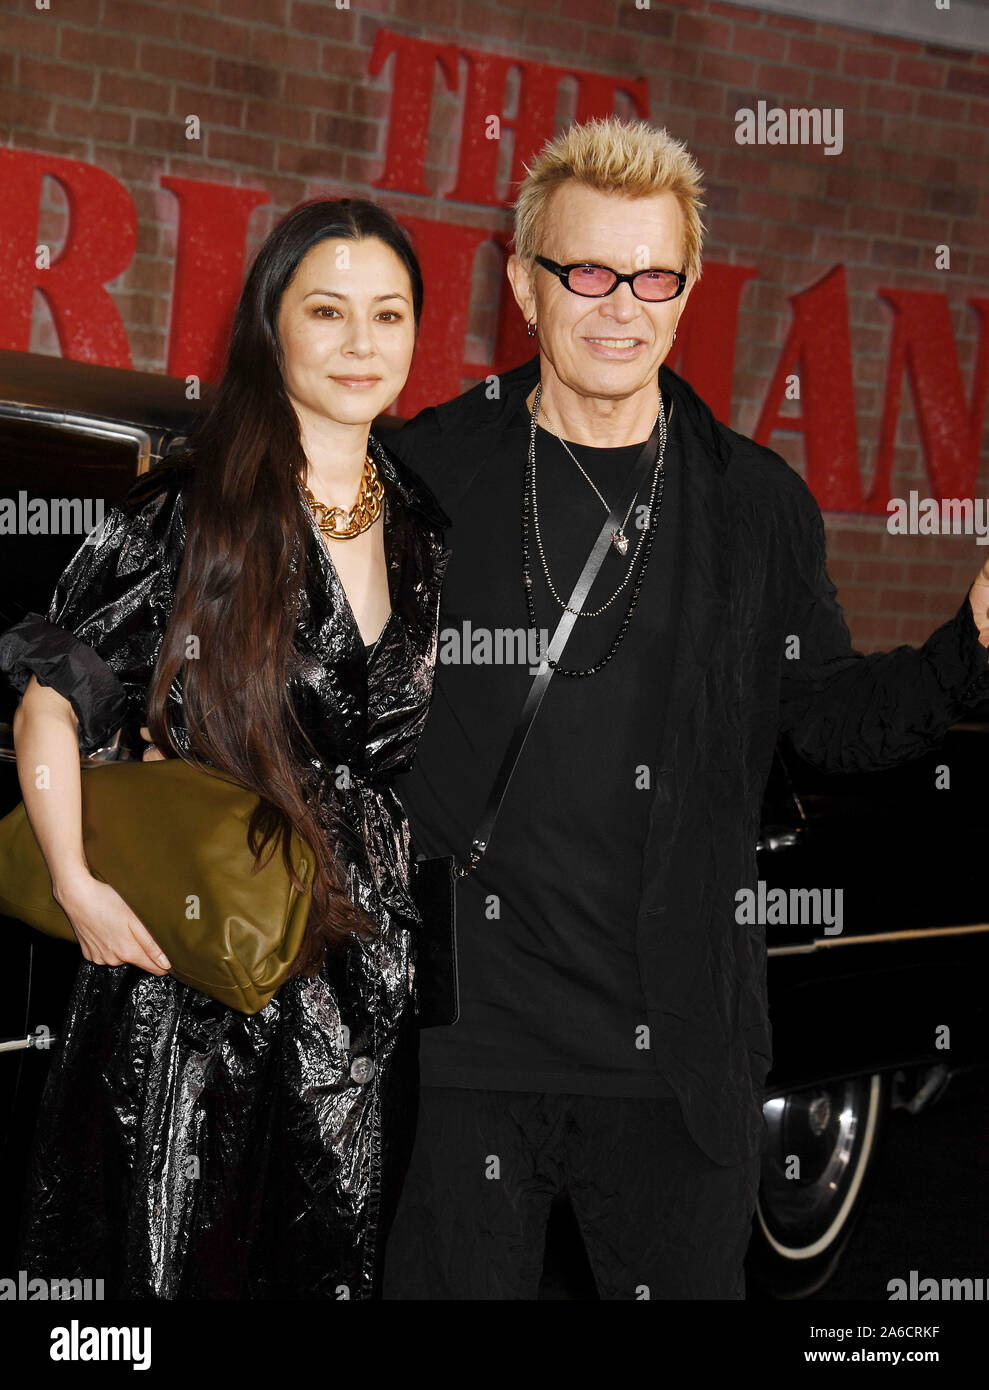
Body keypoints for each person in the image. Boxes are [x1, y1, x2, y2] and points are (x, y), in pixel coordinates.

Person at [380, 116, 989, 1300]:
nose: (620, 306)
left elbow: (825, 719)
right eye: (586, 271)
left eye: (652, 276)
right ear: (522, 282)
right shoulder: (427, 472)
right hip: (462, 1064)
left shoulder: (752, 504)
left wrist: (967, 644)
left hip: (673, 1069)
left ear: (688, 287)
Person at [0, 197, 450, 1299]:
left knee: (328, 1260)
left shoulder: (427, 527)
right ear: (271, 328)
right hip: (199, 978)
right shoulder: (196, 510)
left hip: (360, 972)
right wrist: (77, 885)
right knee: (167, 1270)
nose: (360, 343)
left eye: (387, 315)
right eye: (328, 311)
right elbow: (51, 695)